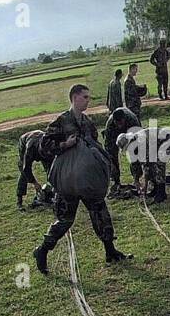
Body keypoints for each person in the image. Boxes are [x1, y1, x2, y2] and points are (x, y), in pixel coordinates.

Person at [31, 84, 130, 273]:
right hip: (68, 182)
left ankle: (110, 251)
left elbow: (94, 143)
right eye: (85, 97)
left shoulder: (87, 122)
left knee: (100, 212)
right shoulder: (61, 121)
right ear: (75, 98)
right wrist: (64, 144)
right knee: (65, 220)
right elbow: (44, 147)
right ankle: (42, 250)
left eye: (88, 97)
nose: (88, 100)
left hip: (87, 179)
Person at [118, 123, 170, 203]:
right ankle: (156, 189)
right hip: (158, 143)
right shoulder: (133, 146)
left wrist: (145, 188)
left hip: (169, 139)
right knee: (153, 164)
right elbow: (134, 165)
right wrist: (136, 181)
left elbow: (146, 167)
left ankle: (161, 193)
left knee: (157, 163)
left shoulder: (141, 141)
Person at [101, 106, 141, 190]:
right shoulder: (110, 125)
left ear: (124, 119)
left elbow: (137, 144)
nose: (119, 126)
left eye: (121, 123)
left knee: (134, 153)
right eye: (117, 124)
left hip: (130, 131)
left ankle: (136, 178)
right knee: (111, 156)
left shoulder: (132, 120)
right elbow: (108, 146)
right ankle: (116, 181)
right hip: (114, 134)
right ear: (114, 121)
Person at [15, 129, 51, 210]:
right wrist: (35, 183)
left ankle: (49, 194)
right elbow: (25, 169)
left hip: (40, 139)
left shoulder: (49, 144)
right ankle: (19, 201)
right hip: (25, 141)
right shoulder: (29, 149)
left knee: (50, 170)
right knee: (23, 174)